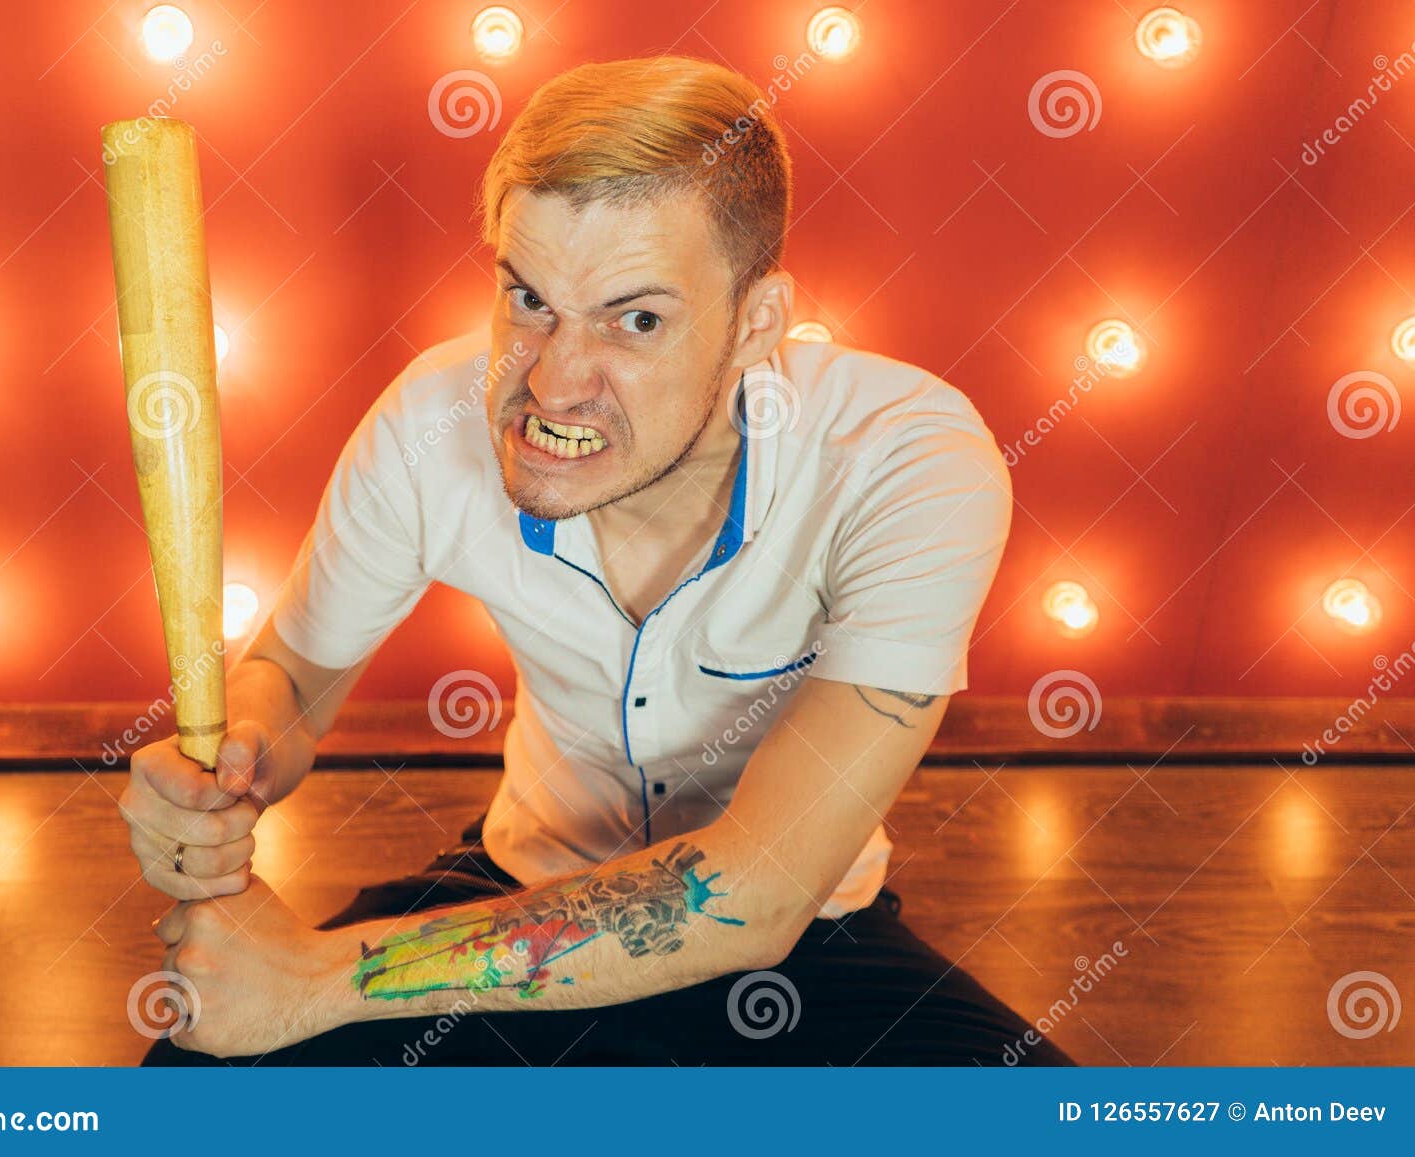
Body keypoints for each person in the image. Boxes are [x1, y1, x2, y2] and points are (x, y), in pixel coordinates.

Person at [122, 55, 1073, 1067]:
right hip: (507, 897)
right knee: (198, 1077)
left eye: (637, 318)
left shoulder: (905, 456)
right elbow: (296, 677)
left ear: (755, 322)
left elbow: (748, 897)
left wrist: (320, 977)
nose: (554, 379)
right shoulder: (430, 421)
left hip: (799, 934)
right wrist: (235, 768)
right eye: (529, 298)